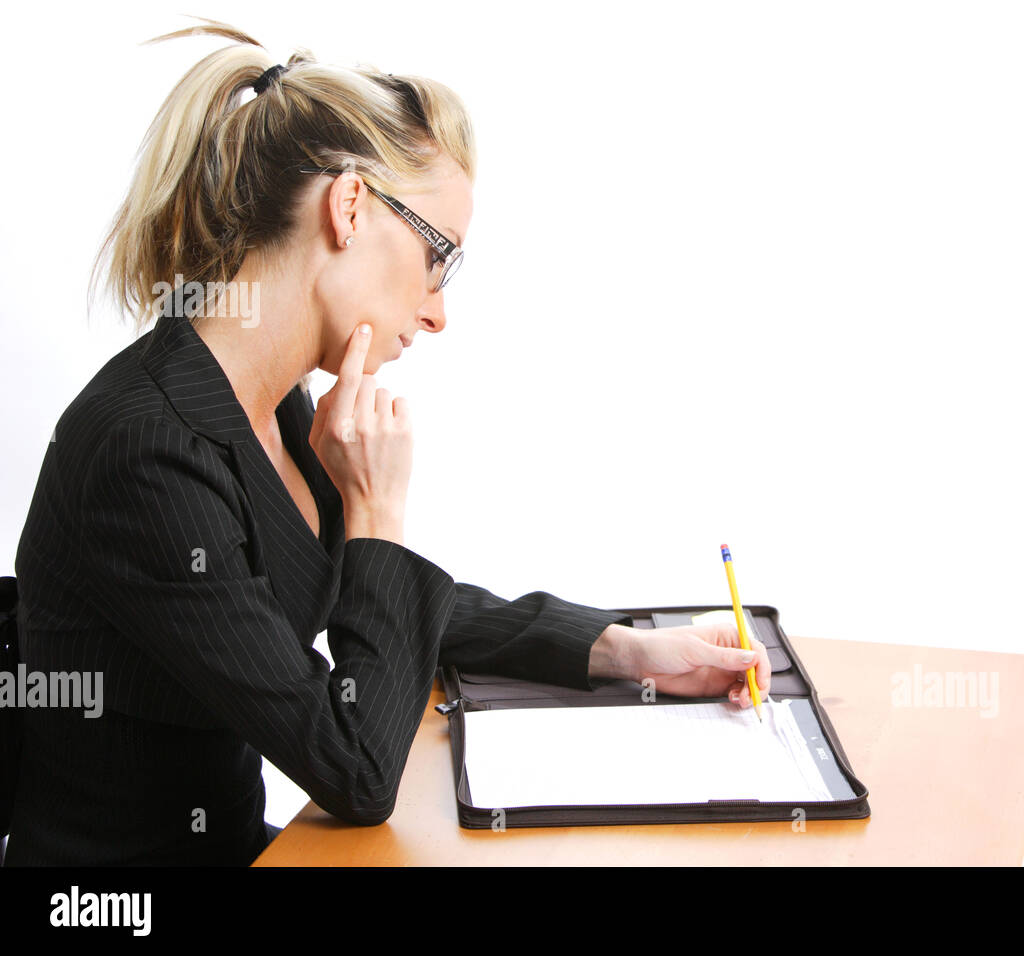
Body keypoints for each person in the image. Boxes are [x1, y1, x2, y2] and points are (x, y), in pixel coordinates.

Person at [3, 18, 771, 866]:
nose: (440, 311)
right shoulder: (145, 453)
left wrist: (624, 651)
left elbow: (366, 602)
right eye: (438, 256)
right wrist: (374, 507)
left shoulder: (273, 406)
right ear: (350, 204)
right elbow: (358, 771)